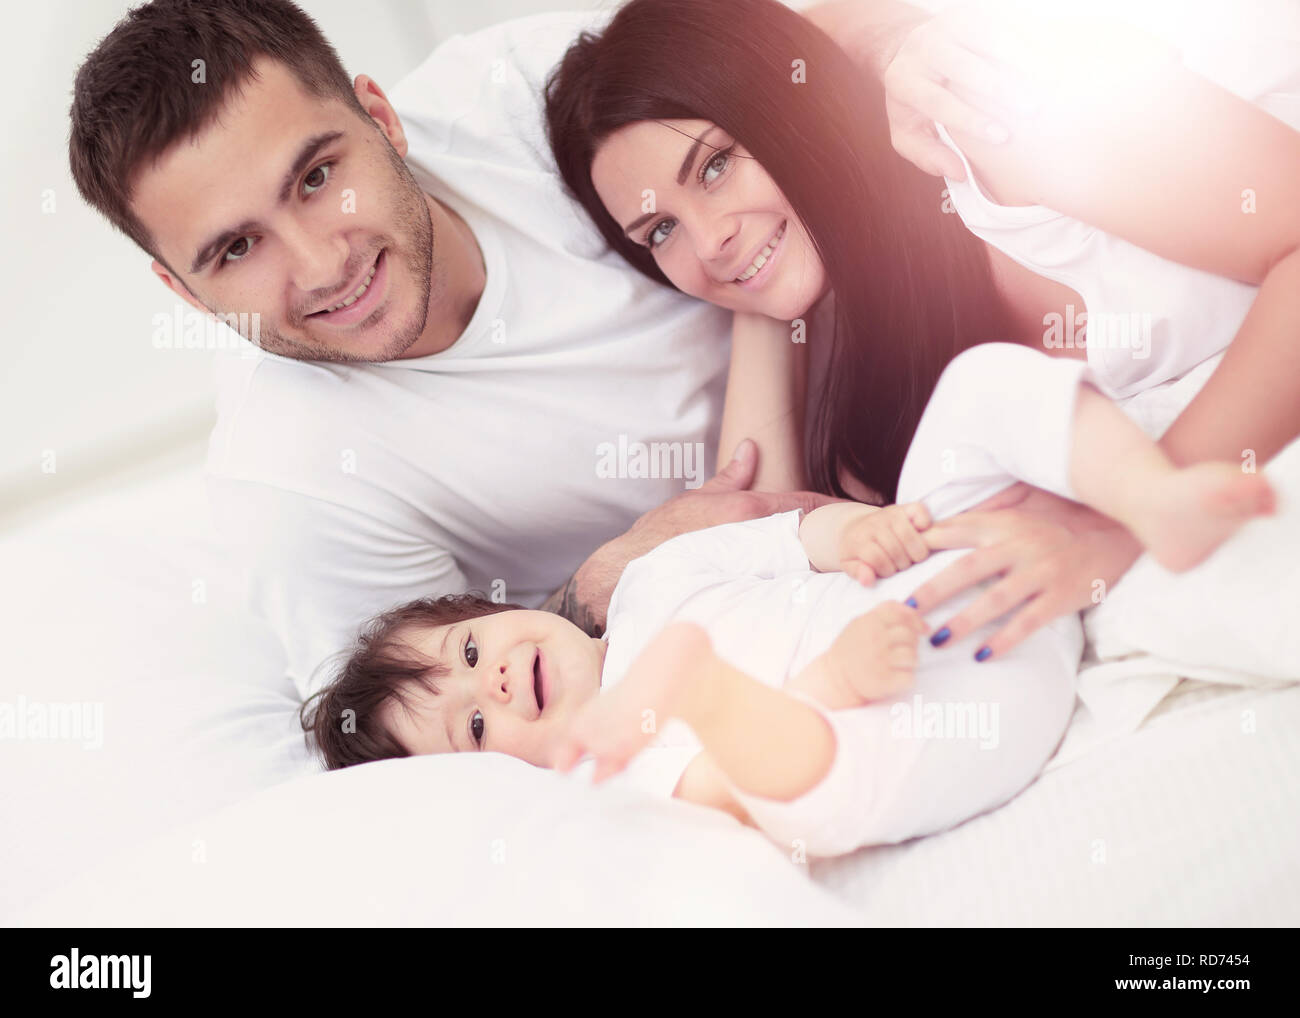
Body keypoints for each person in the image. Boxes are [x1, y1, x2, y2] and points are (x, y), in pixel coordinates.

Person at [68, 0, 997, 700]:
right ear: (183, 293)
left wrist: (893, 49)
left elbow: (762, 45)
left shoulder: (514, 92)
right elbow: (423, 726)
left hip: (909, 315)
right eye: (236, 249)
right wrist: (598, 589)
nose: (320, 264)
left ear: (383, 120)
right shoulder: (298, 497)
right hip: (810, 529)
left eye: (318, 178)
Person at [301, 335, 1272, 855]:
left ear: (493, 612)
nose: (499, 683)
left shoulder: (654, 576)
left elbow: (794, 539)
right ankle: (710, 688)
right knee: (787, 800)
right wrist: (836, 681)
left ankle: (1152, 495)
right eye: (474, 727)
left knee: (973, 383)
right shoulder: (616, 774)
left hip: (960, 573)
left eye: (470, 654)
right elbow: (730, 788)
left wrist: (869, 531)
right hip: (927, 715)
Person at [545, 0, 1300, 662]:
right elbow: (761, 557)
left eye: (713, 167)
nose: (707, 240)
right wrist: (752, 299)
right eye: (661, 231)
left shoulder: (987, 120)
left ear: (785, 106)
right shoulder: (867, 358)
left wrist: (1128, 516)